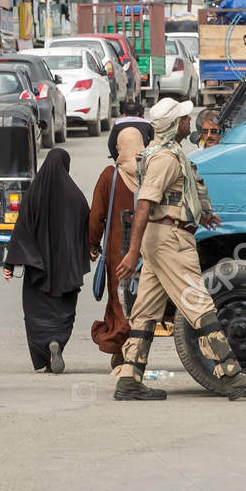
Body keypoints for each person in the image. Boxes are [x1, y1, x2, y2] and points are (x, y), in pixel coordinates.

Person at [112, 98, 246, 401]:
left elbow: (173, 196)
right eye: (185, 119)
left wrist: (201, 213)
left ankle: (129, 379)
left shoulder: (170, 154)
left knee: (146, 310)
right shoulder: (165, 158)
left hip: (162, 237)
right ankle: (230, 374)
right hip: (170, 240)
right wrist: (132, 252)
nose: (191, 122)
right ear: (175, 125)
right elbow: (144, 204)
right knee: (198, 303)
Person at [2, 148, 90, 374]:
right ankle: (57, 342)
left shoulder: (34, 194)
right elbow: (87, 226)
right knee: (64, 313)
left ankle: (46, 348)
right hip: (67, 271)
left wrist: (10, 264)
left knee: (35, 314)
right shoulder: (75, 196)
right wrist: (91, 249)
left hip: (37, 272)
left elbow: (21, 229)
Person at [89, 123, 152, 365]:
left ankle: (121, 349)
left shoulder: (109, 175)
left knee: (119, 300)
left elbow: (96, 216)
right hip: (146, 249)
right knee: (143, 299)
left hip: (117, 251)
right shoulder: (150, 174)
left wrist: (92, 244)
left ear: (118, 148)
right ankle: (135, 349)